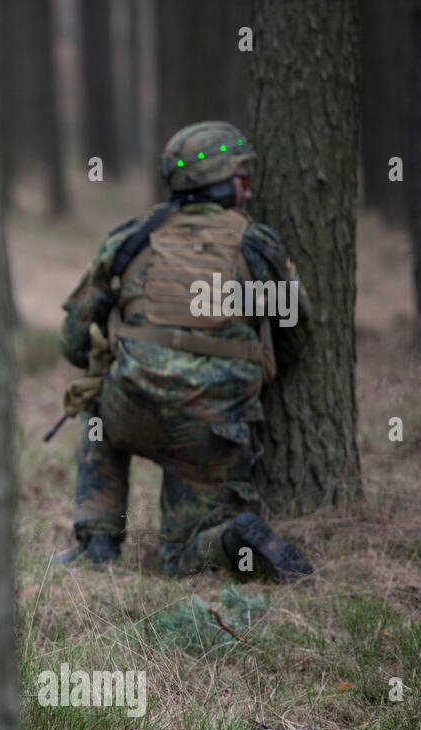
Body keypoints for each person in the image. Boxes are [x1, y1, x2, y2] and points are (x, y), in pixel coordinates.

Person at [53, 120, 314, 582]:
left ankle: (97, 542)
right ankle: (230, 539)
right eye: (243, 179)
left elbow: (74, 339)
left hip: (130, 410)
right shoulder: (256, 244)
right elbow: (296, 329)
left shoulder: (131, 238)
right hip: (212, 427)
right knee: (182, 557)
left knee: (94, 401)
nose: (249, 192)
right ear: (224, 183)